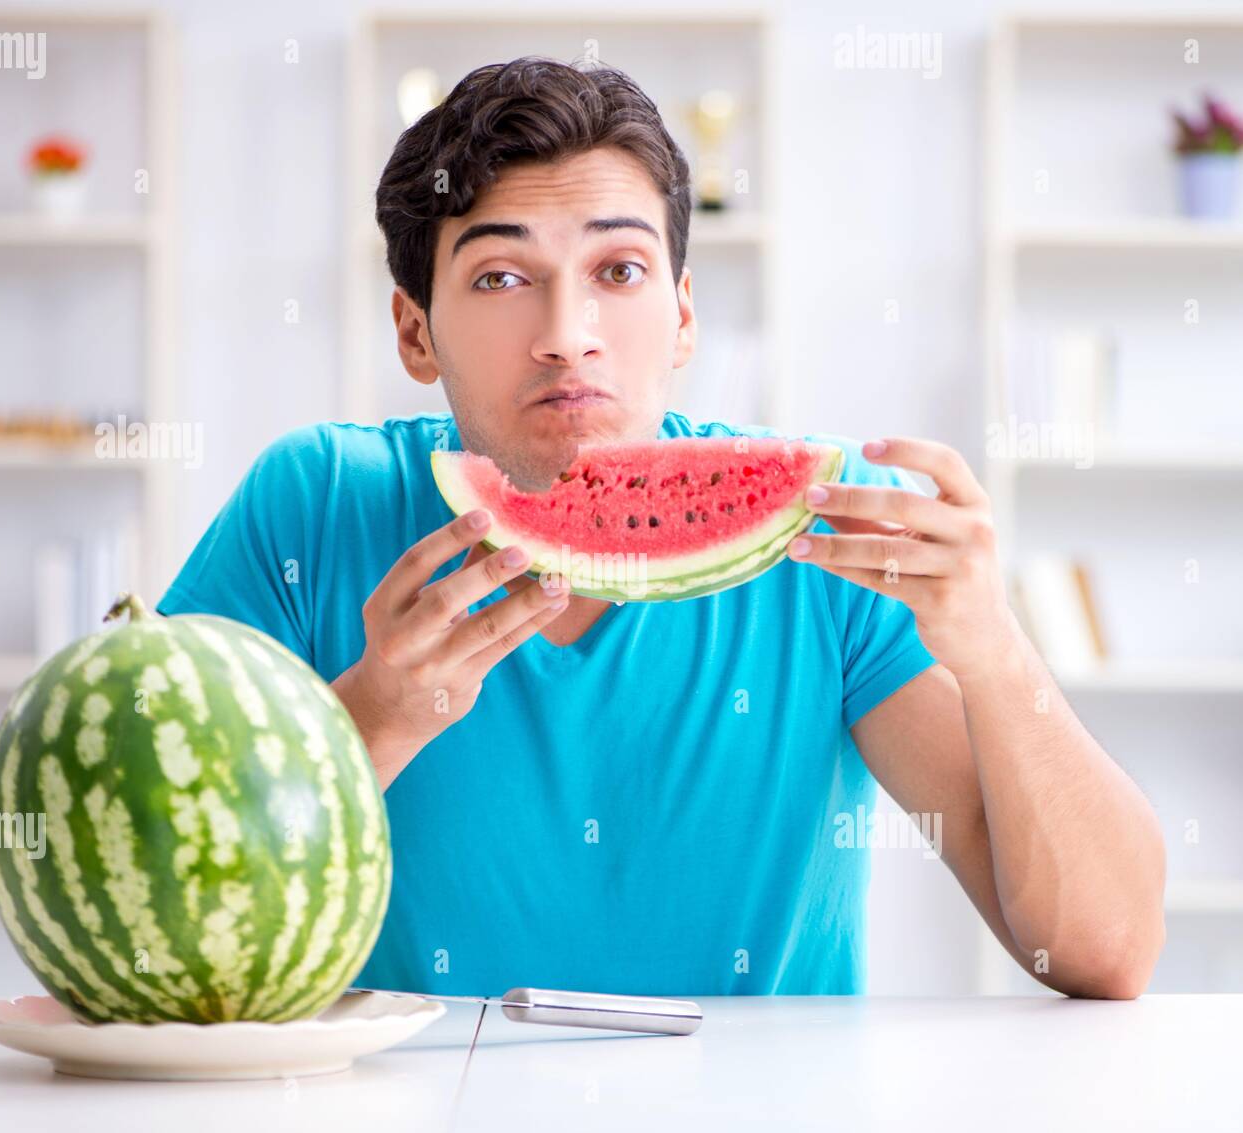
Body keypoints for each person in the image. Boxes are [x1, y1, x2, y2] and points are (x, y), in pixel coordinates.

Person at [158, 56, 1165, 1000]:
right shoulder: (313, 503)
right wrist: (369, 719)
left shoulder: (827, 532)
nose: (567, 334)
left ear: (684, 317)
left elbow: (1102, 951)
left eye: (621, 271)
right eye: (500, 277)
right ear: (415, 330)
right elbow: (164, 925)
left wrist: (993, 652)